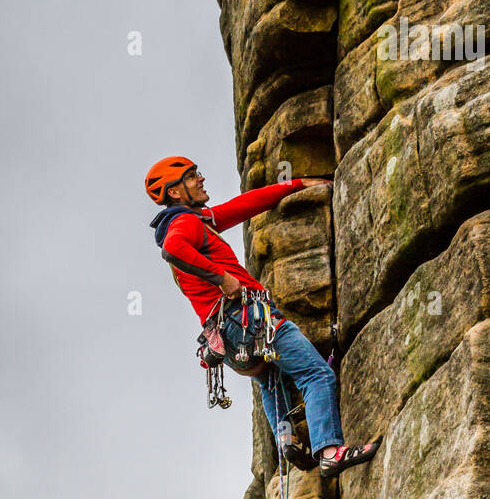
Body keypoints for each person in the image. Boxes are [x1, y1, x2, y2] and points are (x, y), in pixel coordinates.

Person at [146, 156, 381, 477]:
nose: (201, 179)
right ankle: (330, 450)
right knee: (316, 375)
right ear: (174, 193)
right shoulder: (184, 225)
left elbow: (245, 204)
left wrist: (295, 184)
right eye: (191, 177)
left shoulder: (198, 221)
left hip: (230, 341)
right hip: (251, 318)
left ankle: (286, 437)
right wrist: (222, 278)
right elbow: (173, 248)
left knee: (272, 378)